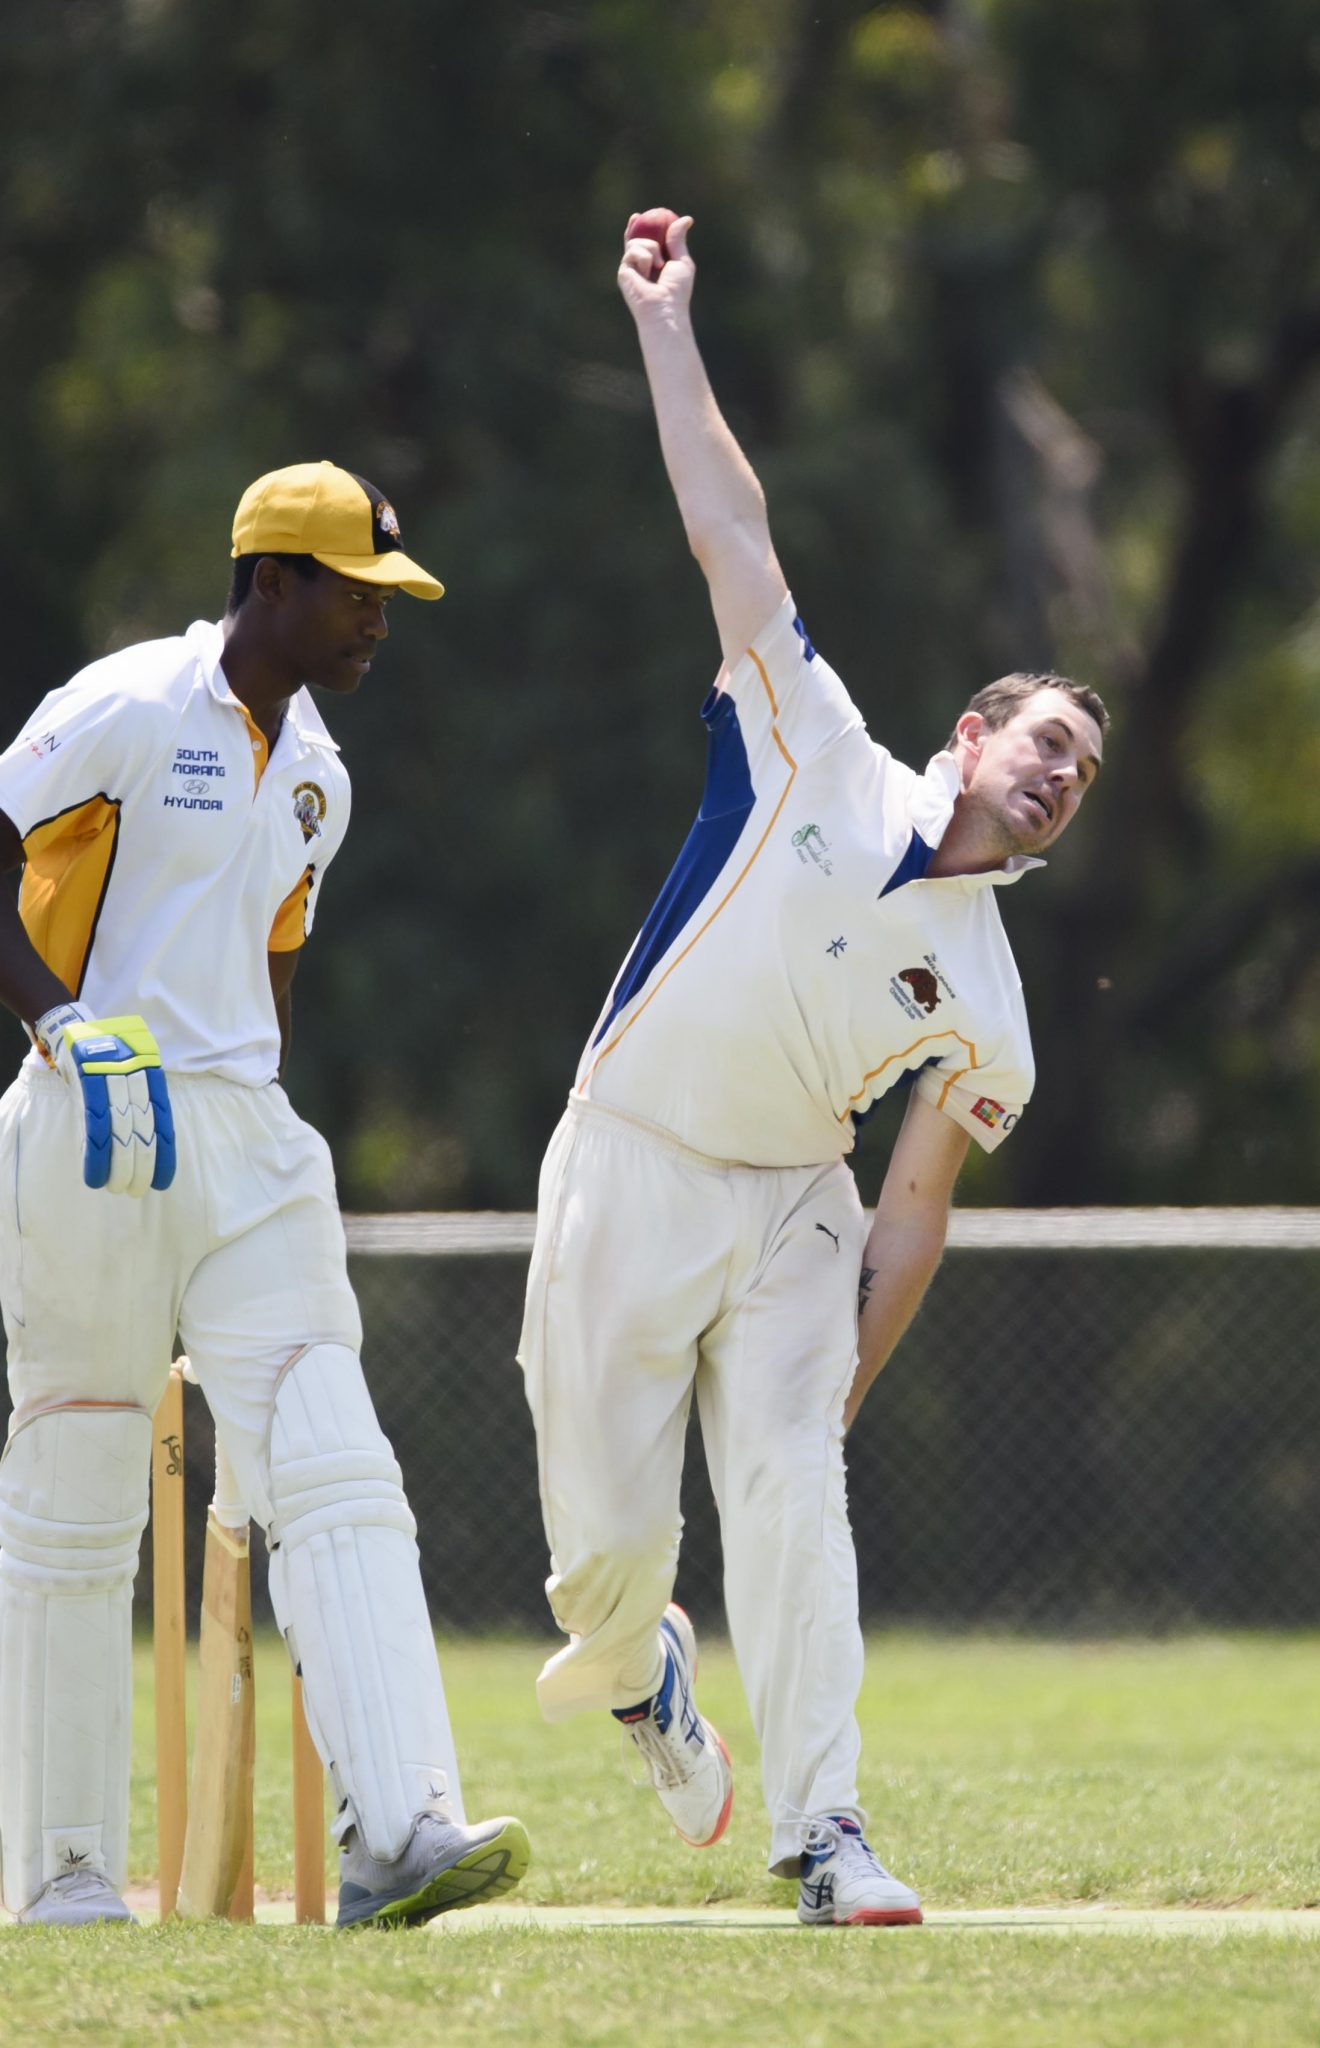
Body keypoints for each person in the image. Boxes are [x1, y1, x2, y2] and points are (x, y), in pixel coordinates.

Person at [517, 213, 1107, 1928]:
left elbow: (911, 1205)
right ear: (968, 737)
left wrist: (837, 1381)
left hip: (793, 1207)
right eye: (1044, 740)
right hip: (626, 1150)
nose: (1060, 775)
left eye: (1083, 771)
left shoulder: (989, 1004)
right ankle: (642, 1673)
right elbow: (727, 523)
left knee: (791, 1492)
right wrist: (665, 323)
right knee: (599, 1563)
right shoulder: (811, 742)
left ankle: (826, 1836)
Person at [0, 461, 530, 1927]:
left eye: (387, 601)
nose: (378, 624)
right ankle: (62, 1877)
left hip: (244, 1135)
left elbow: (275, 966)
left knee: (334, 1455)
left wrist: (257, 1103)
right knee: (78, 1484)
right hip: (93, 1116)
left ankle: (400, 1833)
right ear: (273, 582)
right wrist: (57, 1020)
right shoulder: (128, 702)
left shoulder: (319, 777)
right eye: (357, 596)